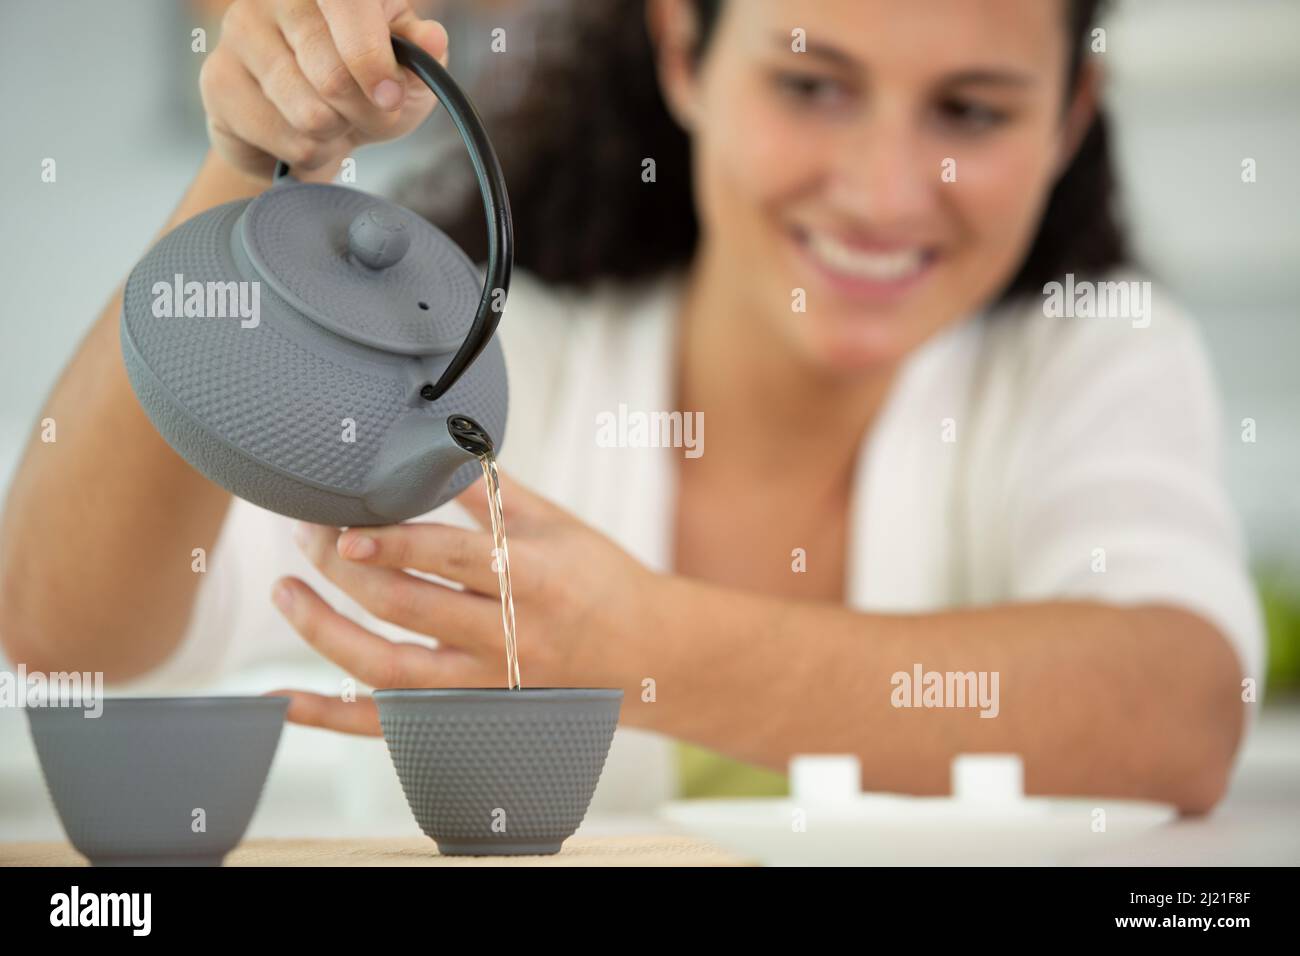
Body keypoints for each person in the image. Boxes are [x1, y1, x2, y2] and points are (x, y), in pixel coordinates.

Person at [0, 0, 1262, 813]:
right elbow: (68, 634)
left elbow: (1180, 707)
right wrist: (242, 169)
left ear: (1067, 119)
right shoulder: (485, 368)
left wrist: (643, 646)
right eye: (811, 84)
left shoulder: (1088, 358)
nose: (884, 189)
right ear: (682, 52)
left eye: (971, 111)